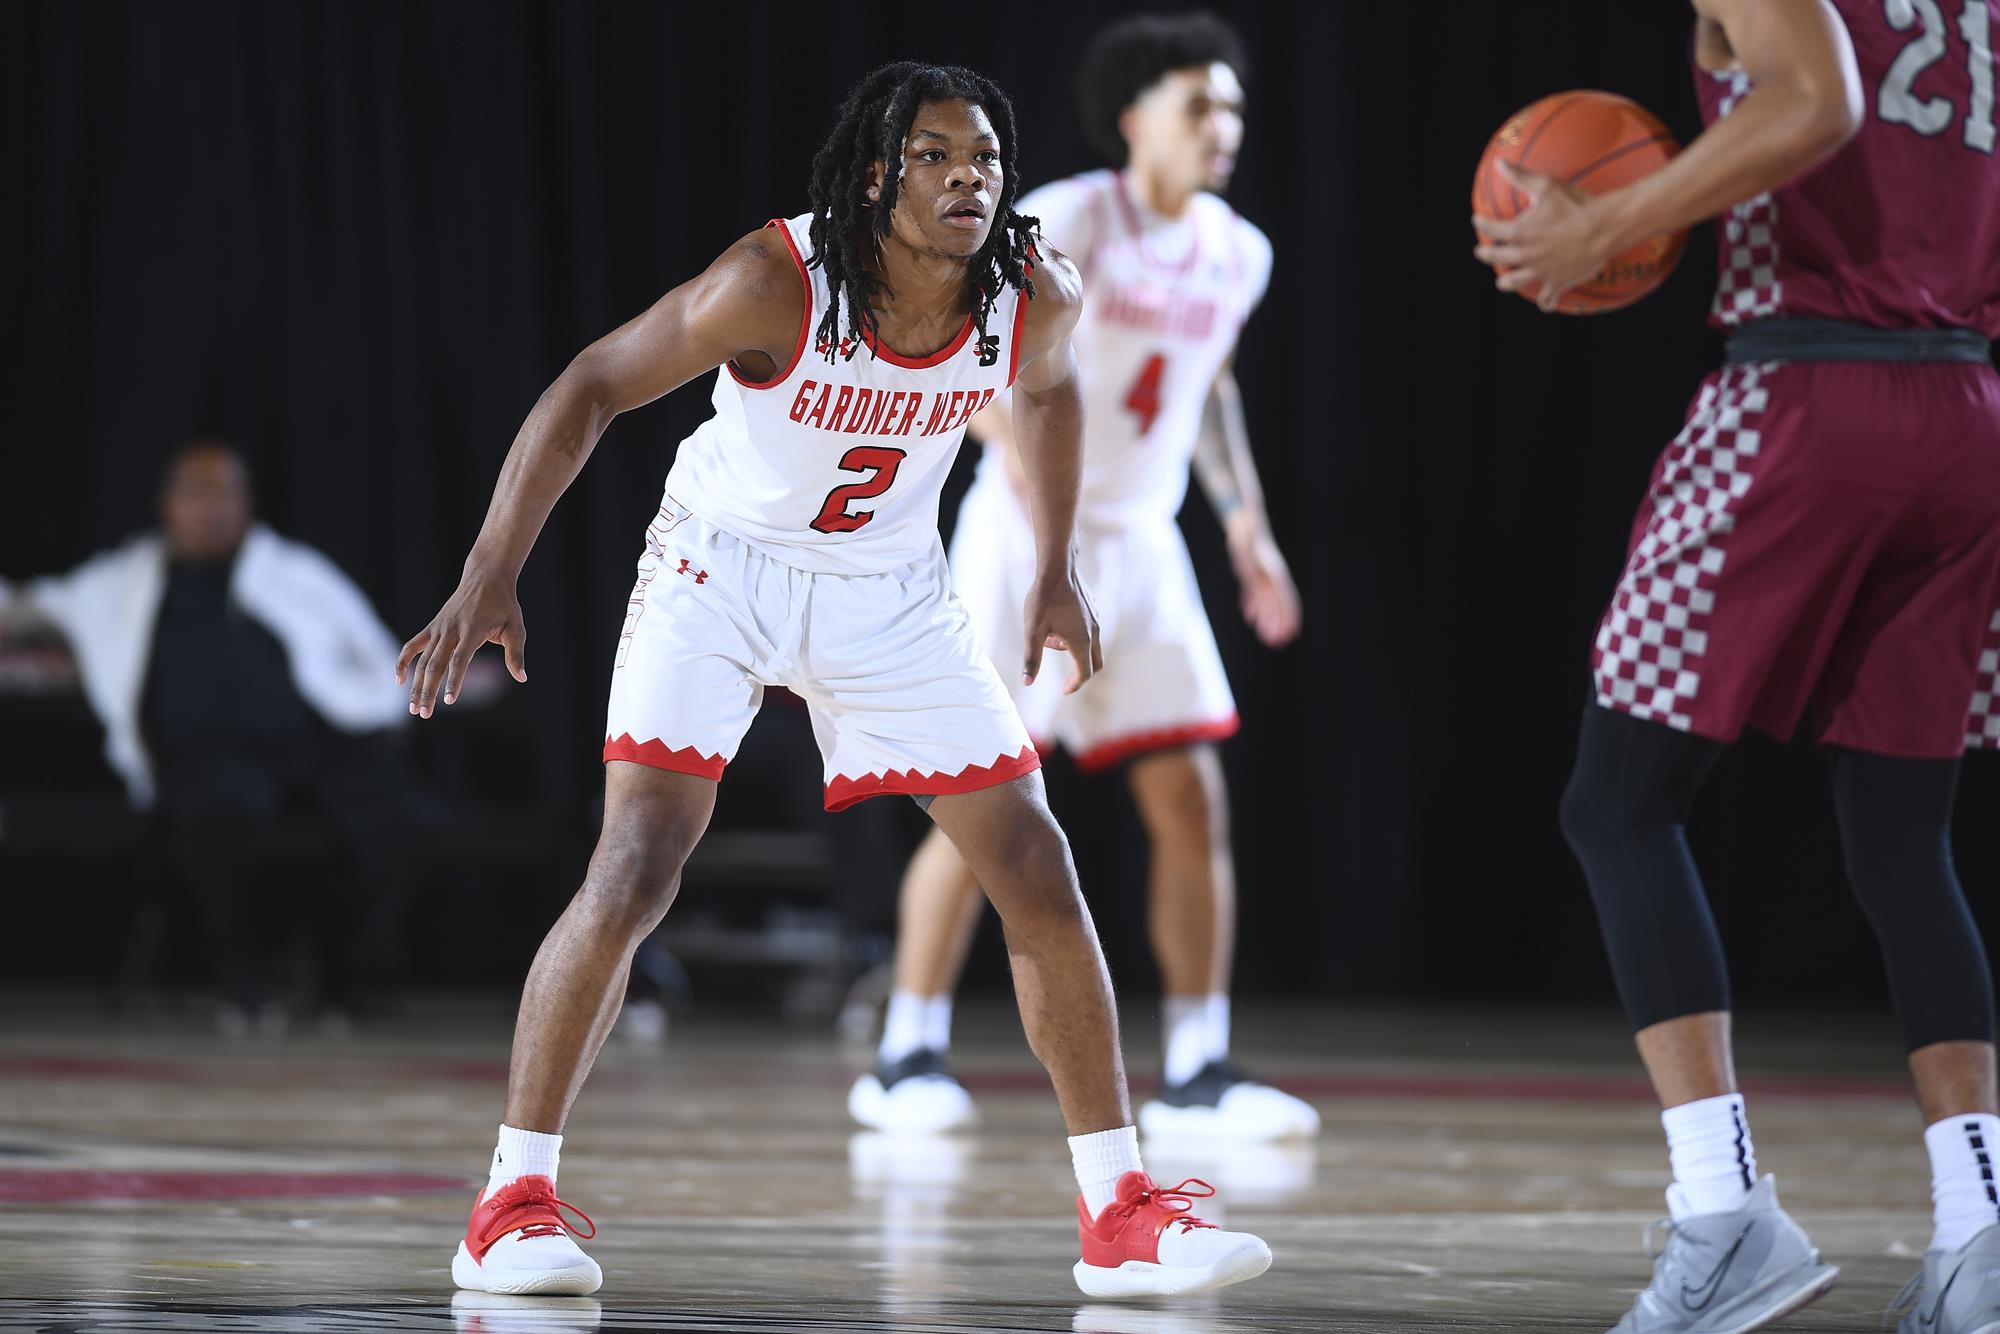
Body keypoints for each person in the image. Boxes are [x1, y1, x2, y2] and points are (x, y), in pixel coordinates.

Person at [402, 61, 1273, 1301]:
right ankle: (508, 1202)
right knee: (638, 859)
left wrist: (1053, 565)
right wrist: (493, 566)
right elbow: (594, 381)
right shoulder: (774, 280)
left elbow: (1051, 390)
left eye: (983, 157)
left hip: (888, 587)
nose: (966, 177)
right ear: (875, 176)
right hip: (721, 565)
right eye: (932, 156)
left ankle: (1117, 1213)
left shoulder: (1030, 290)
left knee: (1032, 859)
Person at [1475, 1, 2000, 1330]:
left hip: (1810, 391)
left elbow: (1816, 103)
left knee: (1618, 801)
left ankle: (1725, 1212)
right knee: (1903, 841)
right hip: (1969, 409)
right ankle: (1981, 1231)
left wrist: (1601, 220)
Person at [847, 11, 1314, 1146]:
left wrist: (1245, 522)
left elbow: (1210, 389)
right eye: (1200, 105)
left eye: (1234, 109)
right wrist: (1027, 478)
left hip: (1143, 540)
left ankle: (1197, 1065)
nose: (1224, 127)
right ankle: (905, 1048)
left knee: (1189, 795)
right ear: (1132, 119)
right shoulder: (1063, 219)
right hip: (1026, 534)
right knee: (985, 802)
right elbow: (967, 355)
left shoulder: (1236, 250)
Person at [0, 440, 417, 1031]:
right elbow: (26, 607)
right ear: (167, 504)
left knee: (392, 812)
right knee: (217, 814)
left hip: (319, 745)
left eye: (228, 492)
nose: (213, 507)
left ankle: (343, 985)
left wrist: (382, 710)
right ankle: (247, 986)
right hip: (210, 758)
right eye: (197, 492)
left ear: (248, 503)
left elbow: (377, 656)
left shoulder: (293, 572)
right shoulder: (122, 583)